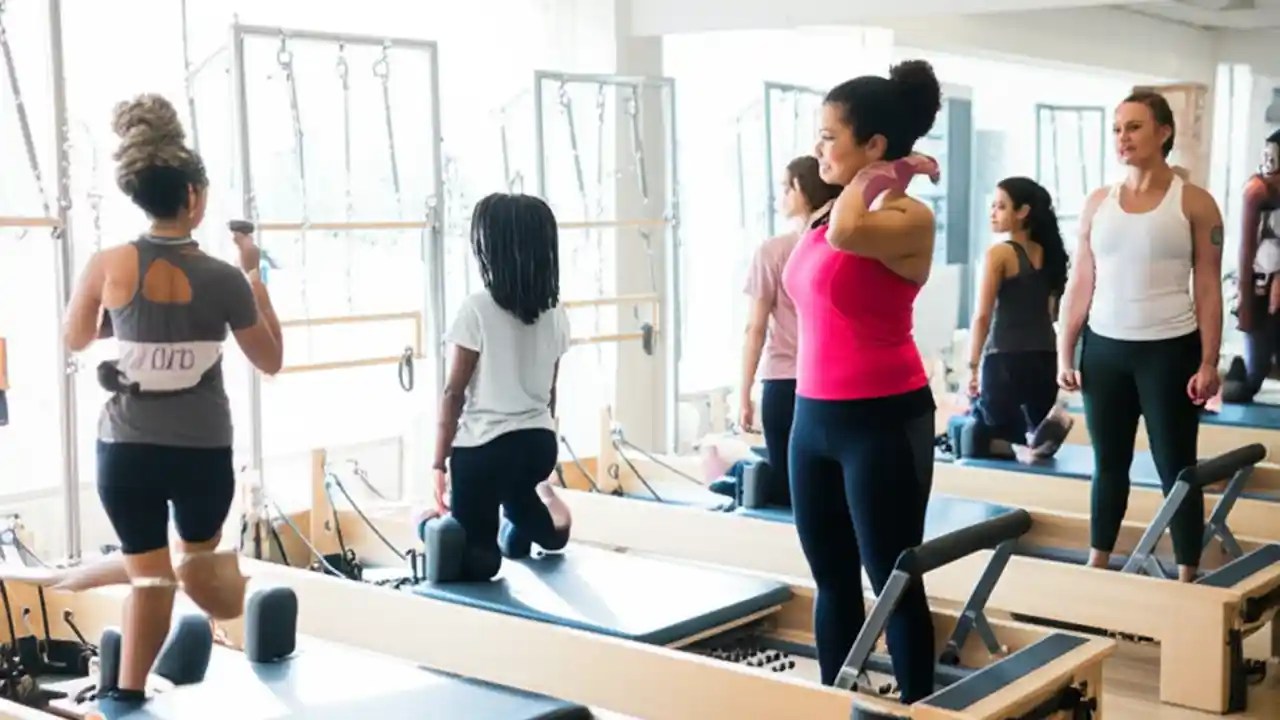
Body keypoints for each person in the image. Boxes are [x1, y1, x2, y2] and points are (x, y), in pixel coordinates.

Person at [61, 94, 283, 701]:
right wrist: (255, 277)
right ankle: (157, 639)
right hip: (200, 454)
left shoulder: (108, 264)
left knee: (152, 582)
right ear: (193, 196)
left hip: (125, 452)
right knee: (194, 575)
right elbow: (270, 360)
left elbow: (77, 336)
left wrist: (122, 319)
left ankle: (126, 693)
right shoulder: (225, 278)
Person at [780, 59, 943, 703]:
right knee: (832, 581)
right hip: (812, 420)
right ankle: (838, 706)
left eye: (829, 136)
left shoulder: (908, 218)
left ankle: (919, 711)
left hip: (883, 420)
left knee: (894, 582)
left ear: (873, 145)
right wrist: (871, 173)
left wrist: (884, 175)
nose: (818, 148)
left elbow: (852, 233)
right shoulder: (825, 215)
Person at [1056, 91, 1223, 583]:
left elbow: (1208, 286)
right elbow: (1079, 282)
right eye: (1117, 129)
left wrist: (1209, 360)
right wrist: (1065, 351)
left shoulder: (1194, 202)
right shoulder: (1098, 203)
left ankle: (1187, 572)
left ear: (1163, 132)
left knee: (1177, 467)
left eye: (1133, 127)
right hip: (1104, 350)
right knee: (1109, 464)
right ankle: (1098, 563)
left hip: (1169, 351)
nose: (1122, 138)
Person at [420, 192, 573, 582]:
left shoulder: (477, 309)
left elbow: (453, 394)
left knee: (481, 563)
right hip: (537, 448)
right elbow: (551, 394)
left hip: (482, 455)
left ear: (491, 249)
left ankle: (424, 523)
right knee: (554, 535)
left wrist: (438, 462)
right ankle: (522, 516)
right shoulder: (556, 313)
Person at [708, 156, 841, 503]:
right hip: (830, 383)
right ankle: (743, 477)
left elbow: (755, 329)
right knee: (824, 486)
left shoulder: (774, 251)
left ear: (804, 191)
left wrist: (744, 394)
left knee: (790, 485)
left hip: (785, 382)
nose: (780, 197)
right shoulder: (841, 247)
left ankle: (741, 478)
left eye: (786, 188)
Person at [949, 177, 1073, 460]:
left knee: (986, 446)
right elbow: (1051, 313)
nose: (992, 213)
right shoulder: (1050, 256)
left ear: (1023, 212)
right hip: (1045, 360)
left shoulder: (999, 254)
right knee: (1034, 452)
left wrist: (971, 367)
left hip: (1005, 360)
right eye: (992, 206)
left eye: (1001, 206)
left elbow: (982, 316)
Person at [1223, 130, 1280, 403]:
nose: (1268, 162)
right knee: (1250, 381)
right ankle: (1237, 371)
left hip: (1273, 281)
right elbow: (1246, 252)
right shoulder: (1258, 191)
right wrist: (1245, 301)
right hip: (1259, 287)